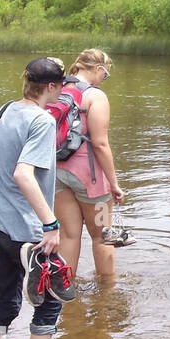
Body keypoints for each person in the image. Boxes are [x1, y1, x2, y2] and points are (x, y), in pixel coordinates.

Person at [0, 58, 74, 339]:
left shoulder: (6, 110)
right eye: (61, 85)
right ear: (50, 87)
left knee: (6, 303)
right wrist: (51, 225)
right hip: (26, 232)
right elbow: (23, 175)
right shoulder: (42, 121)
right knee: (51, 302)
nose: (62, 90)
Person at [54, 49, 128, 282]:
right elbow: (100, 143)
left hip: (57, 171)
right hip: (88, 177)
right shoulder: (95, 96)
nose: (103, 79)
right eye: (104, 74)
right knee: (102, 236)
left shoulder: (57, 89)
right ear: (98, 69)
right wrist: (114, 184)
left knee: (68, 235)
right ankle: (107, 295)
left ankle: (65, 291)